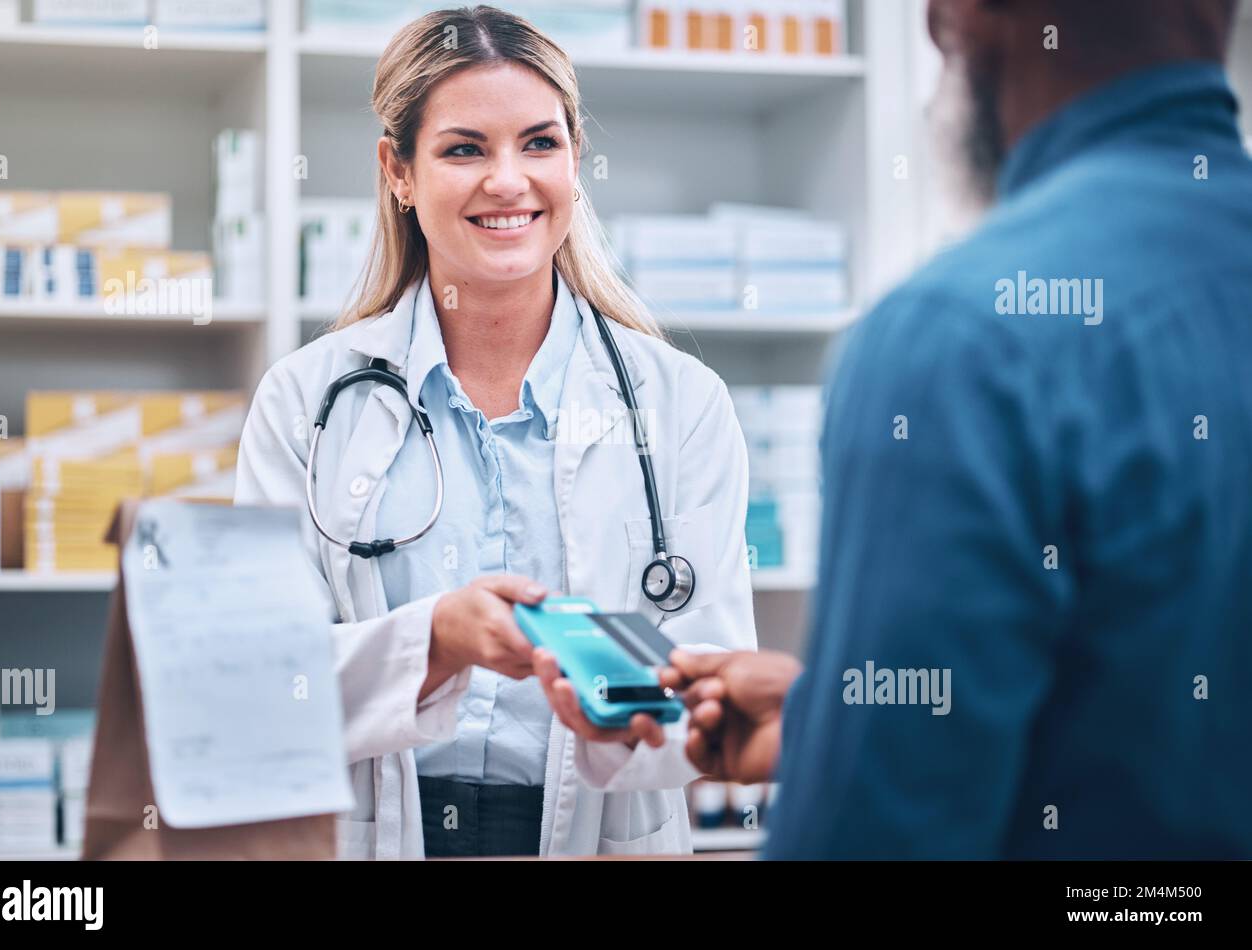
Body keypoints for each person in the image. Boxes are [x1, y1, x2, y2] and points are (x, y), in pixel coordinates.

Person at [664, 0, 1252, 859]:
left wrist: (855, 767)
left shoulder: (963, 339)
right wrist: (838, 722)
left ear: (953, 19)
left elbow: (876, 841)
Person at [235, 4, 756, 859]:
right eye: (465, 148)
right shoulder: (305, 402)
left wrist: (613, 697)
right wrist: (433, 643)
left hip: (596, 836)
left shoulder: (681, 404)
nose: (508, 181)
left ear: (576, 159)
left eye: (540, 144)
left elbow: (712, 695)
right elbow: (261, 686)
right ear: (398, 172)